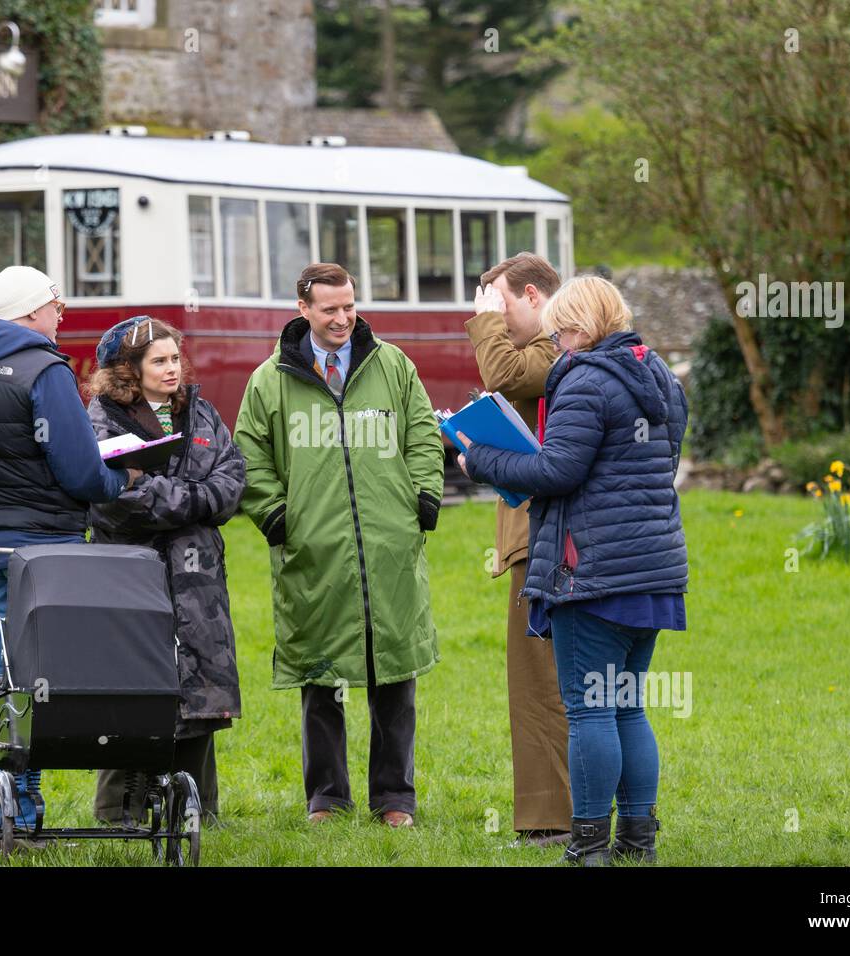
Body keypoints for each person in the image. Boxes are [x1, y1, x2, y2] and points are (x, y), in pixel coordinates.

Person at [457, 275, 688, 865]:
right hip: (653, 571)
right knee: (628, 707)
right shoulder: (659, 375)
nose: (556, 344)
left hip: (594, 575)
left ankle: (588, 847)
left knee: (588, 710)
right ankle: (638, 843)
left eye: (560, 333)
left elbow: (558, 470)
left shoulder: (586, 379)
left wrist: (478, 458)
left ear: (582, 329)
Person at [233, 262, 444, 828]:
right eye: (329, 309)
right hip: (313, 553)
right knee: (321, 675)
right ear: (302, 309)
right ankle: (327, 797)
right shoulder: (269, 380)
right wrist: (277, 518)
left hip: (388, 547)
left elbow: (423, 431)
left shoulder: (392, 365)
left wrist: (422, 498)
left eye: (349, 306)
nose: (342, 318)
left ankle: (395, 799)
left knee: (393, 673)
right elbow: (249, 456)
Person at [0, 265, 126, 832]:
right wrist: (123, 479)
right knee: (41, 676)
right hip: (47, 548)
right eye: (55, 303)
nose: (61, 313)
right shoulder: (45, 370)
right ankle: (20, 804)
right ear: (32, 310)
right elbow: (81, 471)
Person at [85, 315, 245, 825]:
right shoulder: (102, 418)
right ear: (129, 368)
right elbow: (121, 496)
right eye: (160, 360)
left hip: (198, 578)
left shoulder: (201, 411)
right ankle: (120, 812)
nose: (173, 368)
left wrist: (189, 499)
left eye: (176, 358)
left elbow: (233, 476)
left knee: (198, 691)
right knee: (134, 688)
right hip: (133, 573)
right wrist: (197, 500)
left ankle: (197, 810)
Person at [467, 253, 574, 849]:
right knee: (543, 683)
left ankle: (550, 820)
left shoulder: (552, 351)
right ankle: (568, 815)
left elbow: (503, 377)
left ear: (535, 296)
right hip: (535, 540)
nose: (493, 320)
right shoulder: (549, 352)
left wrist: (484, 327)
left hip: (549, 542)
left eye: (501, 306)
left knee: (540, 685)